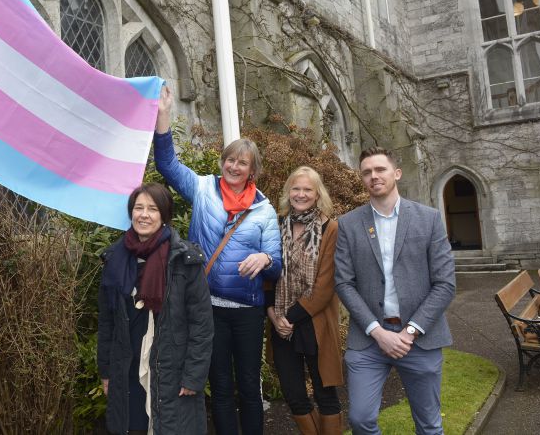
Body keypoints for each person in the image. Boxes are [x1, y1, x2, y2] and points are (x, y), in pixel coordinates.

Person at [153, 86, 282, 435]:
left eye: (242, 162)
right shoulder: (203, 189)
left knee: (249, 388)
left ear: (252, 170)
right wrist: (163, 116)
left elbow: (277, 262)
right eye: (229, 159)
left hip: (248, 312)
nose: (233, 166)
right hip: (207, 307)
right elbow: (166, 164)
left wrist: (264, 256)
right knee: (221, 388)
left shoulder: (265, 211)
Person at [334, 147, 456, 435]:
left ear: (396, 173)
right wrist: (377, 332)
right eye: (367, 172)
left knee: (429, 425)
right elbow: (344, 283)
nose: (373, 176)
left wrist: (410, 331)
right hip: (369, 340)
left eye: (380, 169)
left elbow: (445, 283)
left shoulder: (429, 219)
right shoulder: (349, 224)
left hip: (419, 339)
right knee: (360, 419)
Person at [97, 183, 214, 434]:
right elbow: (107, 322)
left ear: (164, 215)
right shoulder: (115, 259)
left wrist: (194, 376)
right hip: (127, 367)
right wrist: (106, 371)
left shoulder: (184, 260)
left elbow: (202, 325)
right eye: (138, 208)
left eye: (152, 208)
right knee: (134, 426)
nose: (144, 214)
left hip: (170, 370)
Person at [267, 167, 343, 434]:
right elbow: (268, 277)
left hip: (314, 322)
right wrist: (275, 317)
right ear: (289, 192)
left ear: (317, 193)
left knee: (325, 396)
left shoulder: (329, 227)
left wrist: (288, 318)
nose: (301, 194)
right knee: (294, 396)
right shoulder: (277, 225)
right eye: (296, 188)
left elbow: (325, 286)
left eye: (307, 189)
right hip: (281, 324)